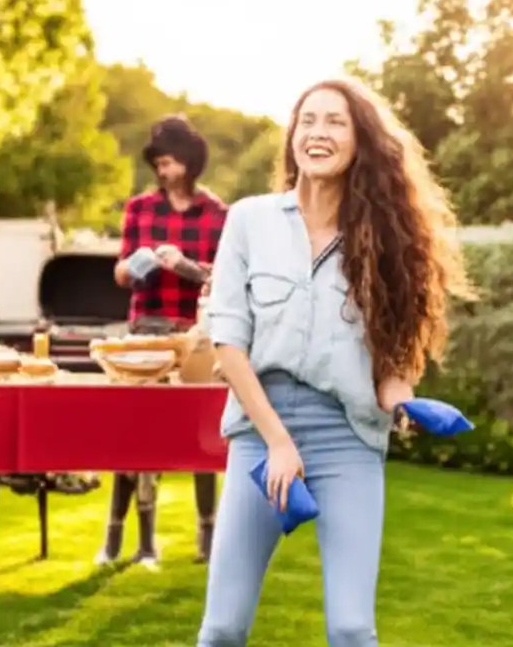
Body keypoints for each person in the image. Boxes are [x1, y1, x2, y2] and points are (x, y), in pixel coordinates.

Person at [195, 76, 473, 646]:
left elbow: (391, 358)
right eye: (309, 120)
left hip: (348, 438)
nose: (318, 133)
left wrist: (405, 402)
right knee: (223, 627)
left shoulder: (387, 238)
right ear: (293, 136)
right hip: (259, 434)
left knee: (351, 627)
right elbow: (229, 343)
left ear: (360, 143)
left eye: (335, 122)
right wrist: (276, 442)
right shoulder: (250, 220)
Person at [97, 114, 227, 567]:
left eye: (170, 163)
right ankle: (124, 542)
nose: (163, 172)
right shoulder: (140, 210)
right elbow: (118, 273)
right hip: (145, 330)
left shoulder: (218, 215)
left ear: (189, 163)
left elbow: (226, 278)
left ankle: (207, 541)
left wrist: (186, 265)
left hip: (194, 334)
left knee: (201, 436)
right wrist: (140, 264)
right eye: (160, 164)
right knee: (134, 436)